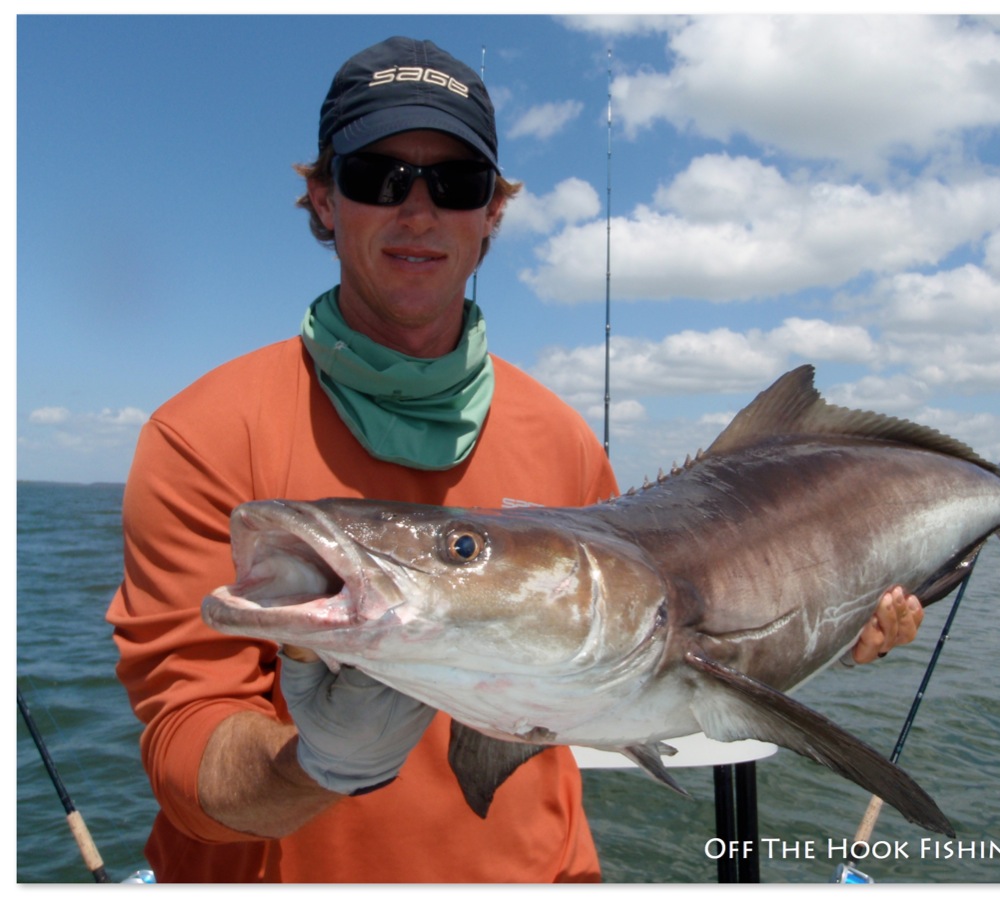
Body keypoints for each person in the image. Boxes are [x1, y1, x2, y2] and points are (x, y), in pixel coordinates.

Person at [106, 36, 924, 883]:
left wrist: (824, 628)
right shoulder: (200, 435)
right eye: (377, 176)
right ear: (321, 199)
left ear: (493, 211)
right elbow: (184, 750)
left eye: (454, 184)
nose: (417, 212)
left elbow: (637, 676)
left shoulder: (562, 435)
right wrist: (321, 764)